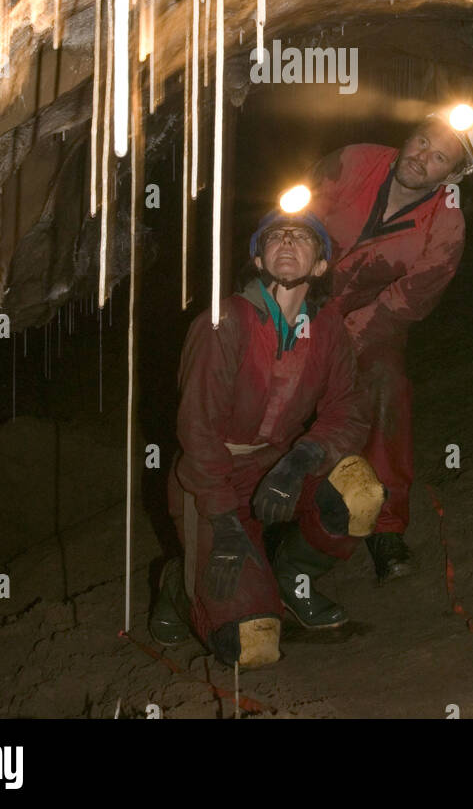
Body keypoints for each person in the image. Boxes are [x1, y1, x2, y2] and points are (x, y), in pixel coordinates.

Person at [150, 195, 385, 671]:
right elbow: (197, 432)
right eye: (275, 235)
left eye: (302, 237)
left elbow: (348, 410)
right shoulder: (223, 325)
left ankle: (293, 581)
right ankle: (178, 585)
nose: (287, 241)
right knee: (251, 645)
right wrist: (222, 519)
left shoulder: (329, 329)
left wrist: (301, 460)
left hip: (279, 468)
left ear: (320, 265)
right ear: (257, 259)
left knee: (358, 492)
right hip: (211, 481)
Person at [307, 104, 473, 581]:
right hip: (304, 295)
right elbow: (296, 220)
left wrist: (346, 339)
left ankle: (385, 524)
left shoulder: (446, 224)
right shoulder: (354, 161)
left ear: (452, 175)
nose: (423, 157)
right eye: (424, 142)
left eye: (439, 158)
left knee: (386, 386)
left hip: (373, 321)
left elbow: (410, 298)